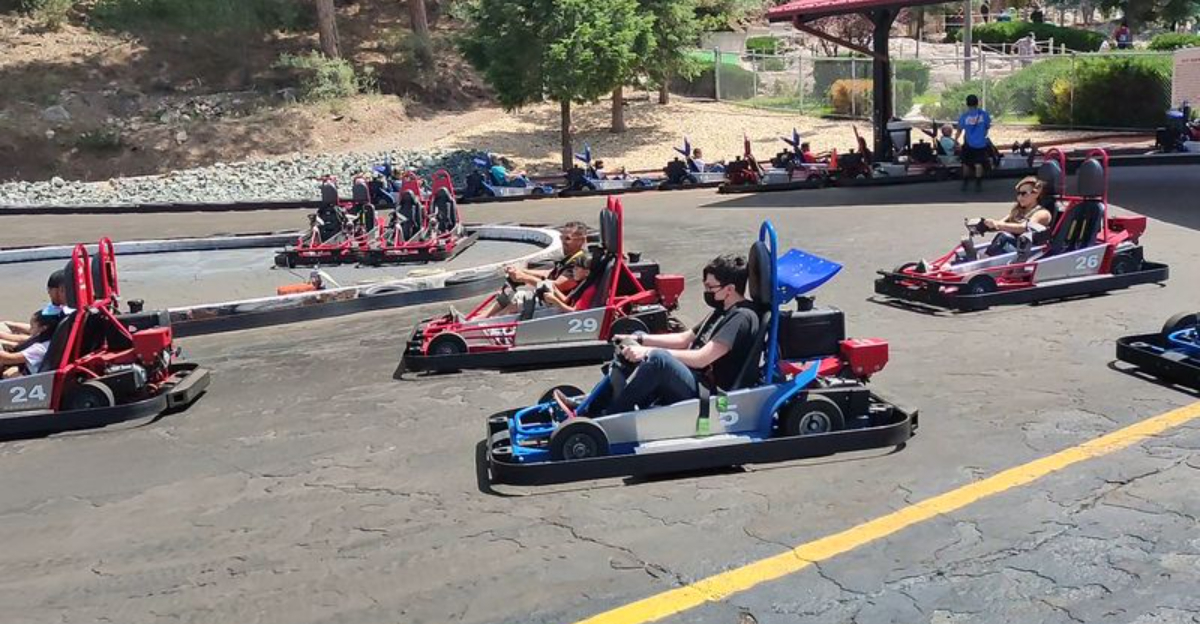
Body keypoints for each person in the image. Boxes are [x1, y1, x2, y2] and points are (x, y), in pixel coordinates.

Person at [555, 254, 759, 417]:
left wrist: (648, 350)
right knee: (634, 335)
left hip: (712, 392)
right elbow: (684, 339)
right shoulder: (722, 309)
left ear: (730, 289)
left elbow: (701, 358)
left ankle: (610, 416)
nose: (706, 291)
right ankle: (591, 402)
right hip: (695, 378)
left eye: (710, 287)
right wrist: (640, 340)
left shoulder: (742, 317)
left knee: (658, 359)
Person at [480, 222, 589, 318]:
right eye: (562, 238)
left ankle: (485, 325)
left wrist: (524, 278)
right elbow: (550, 274)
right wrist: (522, 271)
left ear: (581, 241)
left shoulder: (579, 263)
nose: (563, 242)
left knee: (513, 305)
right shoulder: (570, 257)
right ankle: (478, 319)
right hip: (546, 299)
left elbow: (555, 285)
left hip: (554, 304)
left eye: (568, 239)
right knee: (508, 297)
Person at [966, 176, 1053, 261]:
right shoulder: (1018, 210)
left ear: (1036, 194)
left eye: (1024, 193)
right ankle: (975, 256)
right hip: (1013, 246)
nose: (1019, 197)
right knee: (1002, 237)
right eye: (1018, 194)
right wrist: (985, 225)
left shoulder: (1042, 213)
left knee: (1004, 236)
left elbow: (1023, 228)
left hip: (1029, 250)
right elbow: (1000, 223)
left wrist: (999, 225)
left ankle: (982, 259)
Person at [1, 270, 70, 350]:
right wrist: (11, 324)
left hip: (41, 344)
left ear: (60, 290)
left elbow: (36, 335)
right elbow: (36, 329)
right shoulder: (69, 312)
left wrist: (7, 337)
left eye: (49, 289)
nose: (48, 292)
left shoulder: (62, 315)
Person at [1, 309, 62, 379]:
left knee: (8, 373)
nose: (30, 329)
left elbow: (8, 359)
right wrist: (8, 324)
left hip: (30, 377)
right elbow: (22, 339)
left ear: (43, 328)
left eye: (32, 326)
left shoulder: (40, 348)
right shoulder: (51, 336)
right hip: (27, 365)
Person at [955, 94, 992, 192]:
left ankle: (965, 182)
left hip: (968, 144)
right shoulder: (984, 114)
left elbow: (959, 130)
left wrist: (955, 140)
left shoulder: (965, 116)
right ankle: (978, 183)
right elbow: (987, 127)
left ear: (967, 104)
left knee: (966, 164)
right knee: (978, 164)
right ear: (977, 103)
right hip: (981, 143)